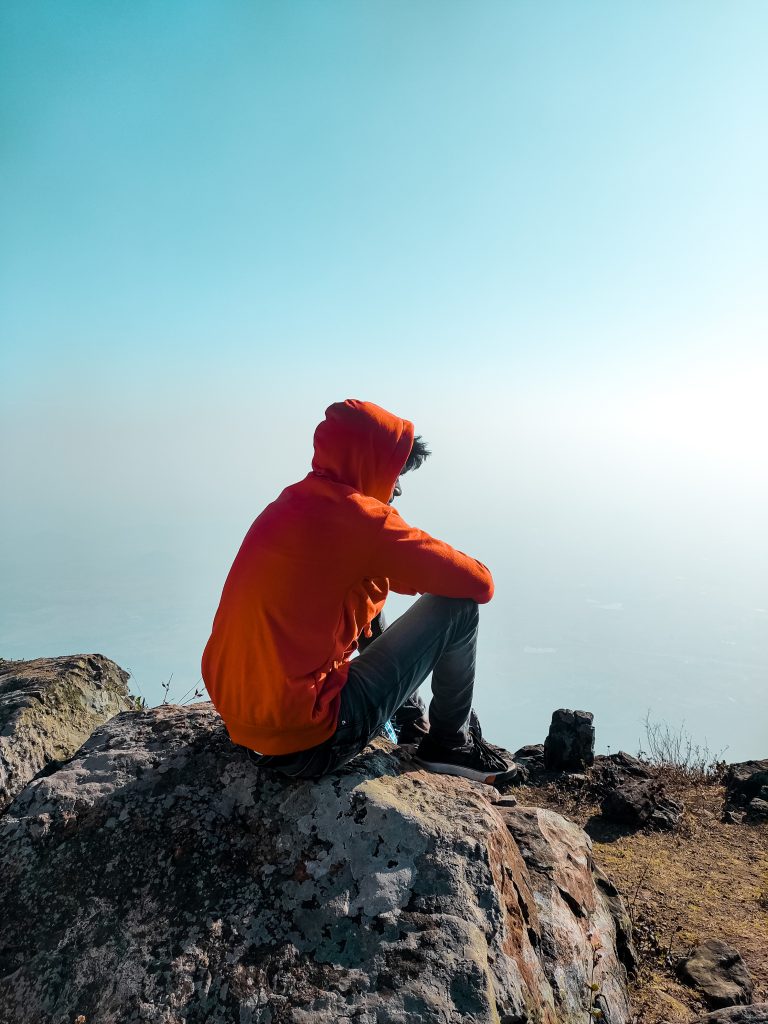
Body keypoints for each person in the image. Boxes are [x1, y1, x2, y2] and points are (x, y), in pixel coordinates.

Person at [201, 398, 518, 785]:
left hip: (243, 725)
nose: (398, 488)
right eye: (395, 473)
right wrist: (388, 527)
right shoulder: (365, 522)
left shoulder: (289, 502)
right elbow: (478, 584)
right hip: (308, 741)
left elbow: (392, 573)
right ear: (370, 465)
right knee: (459, 609)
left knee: (365, 585)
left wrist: (387, 545)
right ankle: (449, 745)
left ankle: (406, 717)